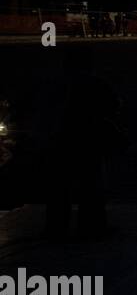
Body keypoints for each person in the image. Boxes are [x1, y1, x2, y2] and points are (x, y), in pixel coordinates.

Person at [41, 48, 124, 240]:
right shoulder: (95, 83)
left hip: (57, 142)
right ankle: (91, 228)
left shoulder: (53, 83)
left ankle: (56, 229)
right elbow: (114, 106)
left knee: (59, 188)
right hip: (87, 141)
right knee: (91, 187)